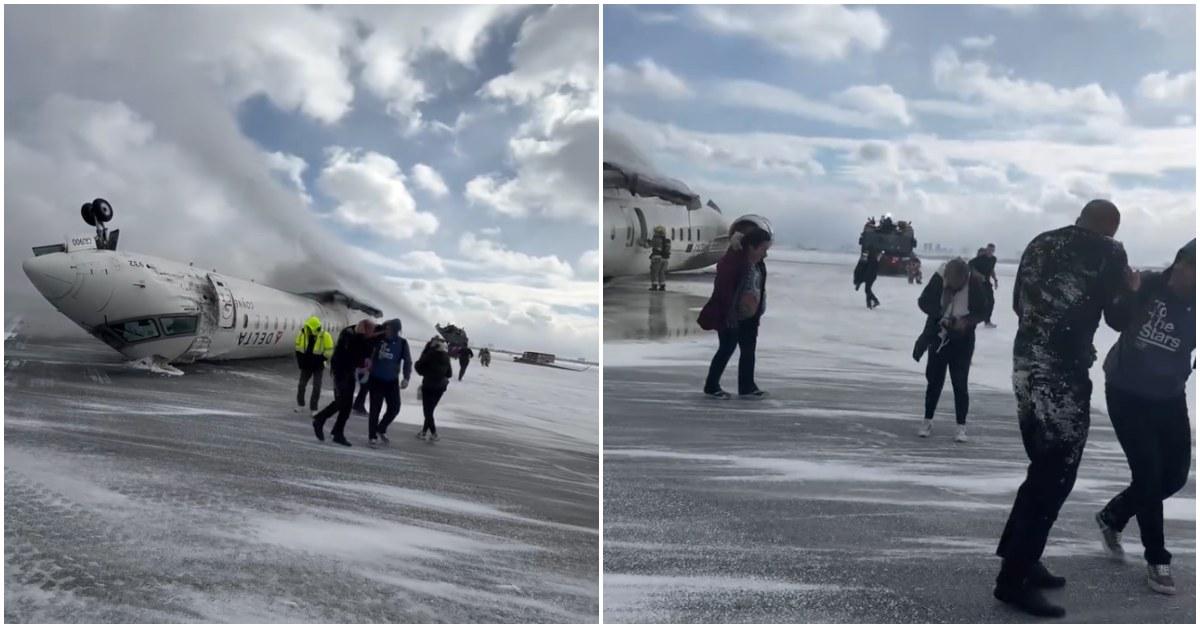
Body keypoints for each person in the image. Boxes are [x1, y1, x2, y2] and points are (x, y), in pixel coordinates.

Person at [993, 199, 1132, 618]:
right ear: (1110, 226)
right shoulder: (1109, 252)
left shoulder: (1039, 244)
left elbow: (1020, 306)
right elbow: (1119, 319)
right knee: (1056, 475)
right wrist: (1133, 289)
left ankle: (1018, 556)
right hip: (1062, 376)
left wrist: (1056, 336)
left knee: (1042, 467)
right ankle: (1012, 580)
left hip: (1025, 366)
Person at [1095, 239, 1195, 596]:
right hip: (1126, 391)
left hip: (1169, 395)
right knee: (1149, 473)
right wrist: (1132, 294)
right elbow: (1117, 320)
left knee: (1175, 475)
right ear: (1181, 262)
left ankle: (1113, 515)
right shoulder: (1148, 284)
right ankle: (1157, 559)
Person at [915, 258, 990, 442]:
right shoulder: (939, 279)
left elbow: (983, 311)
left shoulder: (974, 283)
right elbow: (923, 302)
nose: (954, 289)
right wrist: (940, 315)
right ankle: (927, 420)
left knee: (960, 383)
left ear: (965, 279)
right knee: (934, 381)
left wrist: (965, 322)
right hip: (939, 336)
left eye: (958, 286)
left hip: (962, 340)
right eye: (951, 285)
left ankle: (961, 426)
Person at [697, 226, 772, 399]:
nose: (765, 254)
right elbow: (723, 290)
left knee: (748, 351)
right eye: (763, 249)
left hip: (749, 316)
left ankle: (747, 386)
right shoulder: (734, 261)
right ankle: (711, 385)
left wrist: (757, 311)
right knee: (726, 348)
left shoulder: (758, 264)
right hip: (729, 315)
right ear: (752, 247)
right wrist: (729, 315)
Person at [312, 319, 376, 447]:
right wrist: (364, 342)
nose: (370, 335)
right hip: (340, 372)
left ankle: (337, 432)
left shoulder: (356, 335)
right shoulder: (349, 335)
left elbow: (359, 356)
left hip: (348, 371)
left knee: (347, 406)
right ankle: (320, 419)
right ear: (364, 329)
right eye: (370, 332)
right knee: (341, 401)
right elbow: (353, 355)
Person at [367, 318, 412, 448]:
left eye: (389, 329)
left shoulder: (402, 343)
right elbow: (366, 344)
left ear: (396, 331)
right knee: (375, 409)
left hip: (392, 381)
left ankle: (381, 428)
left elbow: (407, 361)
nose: (386, 331)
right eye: (385, 328)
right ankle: (372, 436)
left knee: (395, 408)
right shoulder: (378, 340)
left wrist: (406, 378)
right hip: (376, 379)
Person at [415, 337, 453, 441]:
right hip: (440, 387)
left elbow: (418, 366)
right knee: (430, 411)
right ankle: (424, 432)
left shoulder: (430, 355)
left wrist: (426, 351)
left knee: (427, 411)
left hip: (429, 385)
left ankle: (433, 433)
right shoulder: (446, 357)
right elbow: (449, 374)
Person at [293, 316, 333, 413]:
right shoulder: (302, 334)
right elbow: (298, 347)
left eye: (310, 328)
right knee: (301, 385)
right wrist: (300, 362)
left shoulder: (325, 336)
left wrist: (321, 359)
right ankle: (300, 404)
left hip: (318, 366)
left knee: (317, 386)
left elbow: (329, 350)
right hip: (306, 365)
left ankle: (313, 408)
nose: (309, 330)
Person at [969, 245, 999, 327]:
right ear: (986, 250)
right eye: (989, 250)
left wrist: (995, 279)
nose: (990, 252)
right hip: (975, 283)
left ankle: (987, 321)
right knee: (977, 302)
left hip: (986, 282)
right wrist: (979, 275)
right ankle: (971, 319)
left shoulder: (993, 259)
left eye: (992, 250)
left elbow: (991, 270)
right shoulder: (980, 258)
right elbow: (970, 266)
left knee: (991, 301)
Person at [649, 225, 671, 291]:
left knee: (654, 272)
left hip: (656, 258)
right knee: (662, 273)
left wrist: (644, 242)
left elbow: (649, 244)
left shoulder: (656, 239)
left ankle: (654, 286)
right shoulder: (667, 241)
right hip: (665, 259)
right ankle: (662, 286)